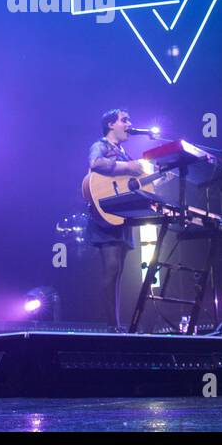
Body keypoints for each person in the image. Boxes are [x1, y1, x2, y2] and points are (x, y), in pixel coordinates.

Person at [87, 109, 140, 331]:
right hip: (105, 215)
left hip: (122, 216)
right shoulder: (100, 145)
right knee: (111, 268)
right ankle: (112, 326)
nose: (129, 124)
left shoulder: (124, 152)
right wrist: (127, 167)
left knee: (118, 272)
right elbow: (95, 163)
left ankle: (117, 324)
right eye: (124, 120)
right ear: (111, 124)